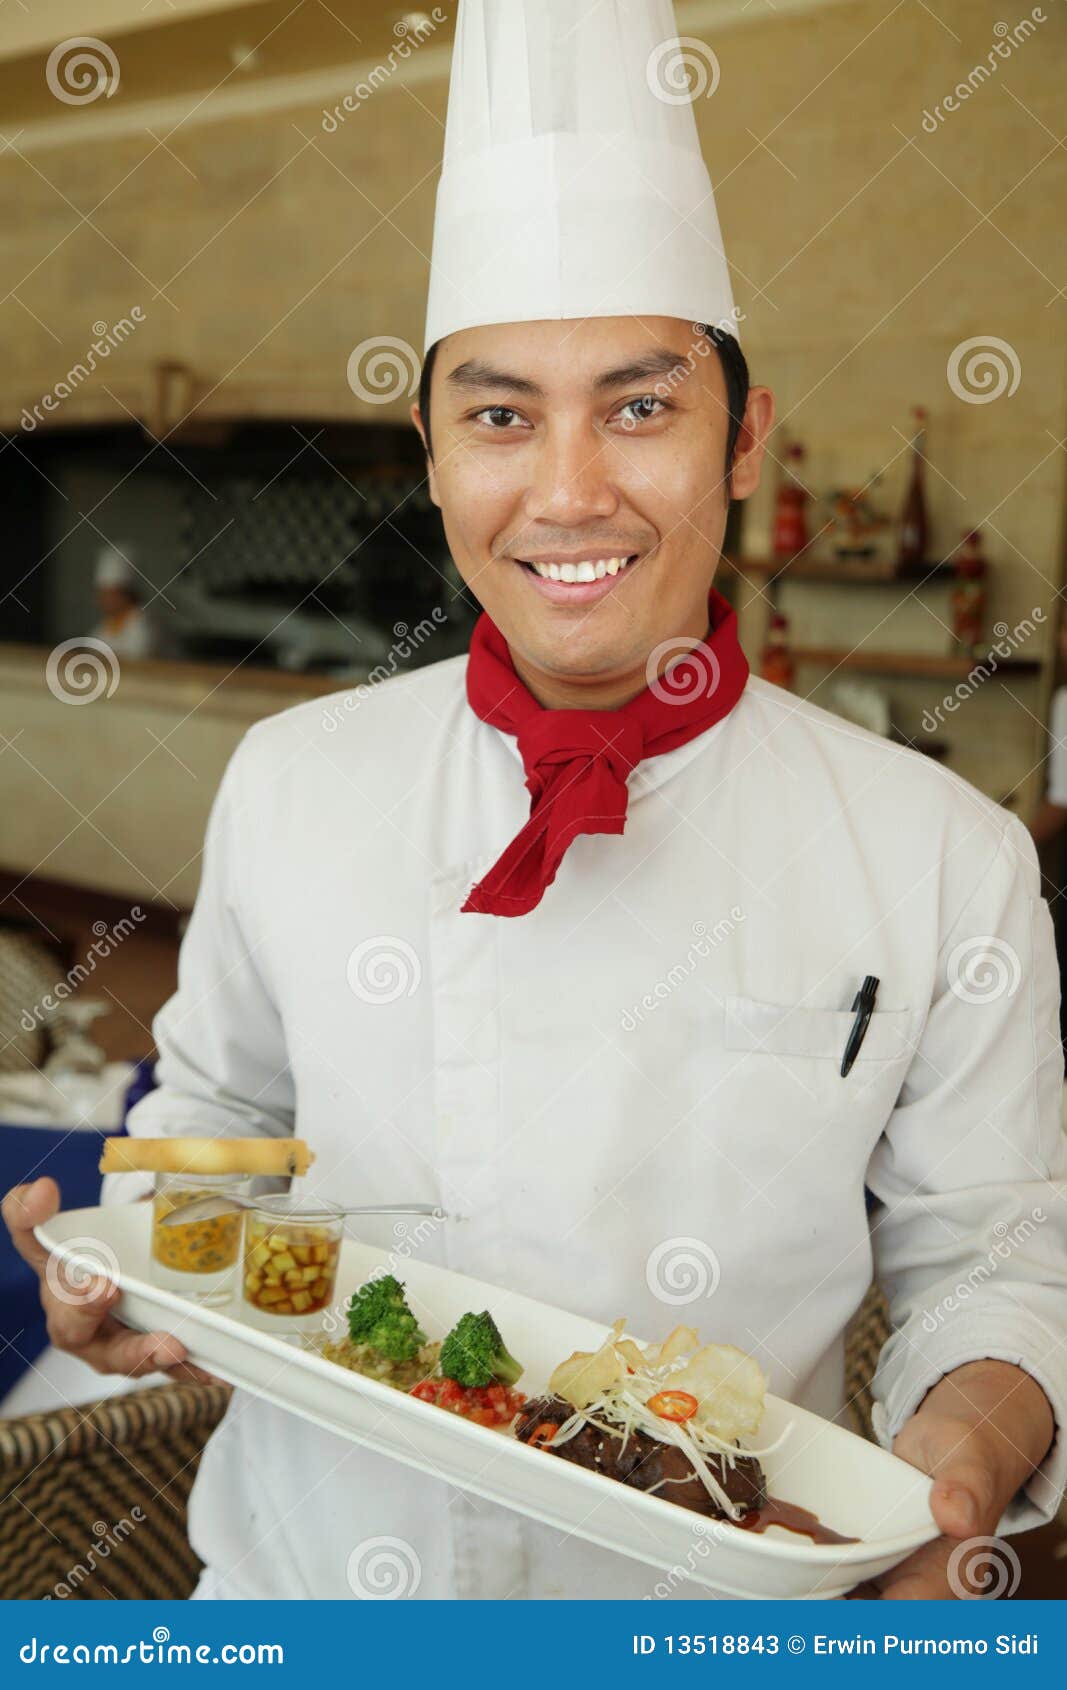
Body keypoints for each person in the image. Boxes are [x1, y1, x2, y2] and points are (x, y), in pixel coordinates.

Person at [5, 0, 1065, 1602]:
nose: (567, 490)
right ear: (428, 454)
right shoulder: (290, 782)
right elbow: (213, 1124)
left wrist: (967, 1441)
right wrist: (130, 1262)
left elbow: (995, 1261)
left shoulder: (941, 857)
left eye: (639, 405)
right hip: (306, 1599)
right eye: (499, 414)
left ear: (740, 444)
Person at [91, 545, 156, 660]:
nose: (105, 599)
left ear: (127, 592)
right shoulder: (104, 628)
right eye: (103, 593)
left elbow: (138, 659)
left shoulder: (146, 624)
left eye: (111, 593)